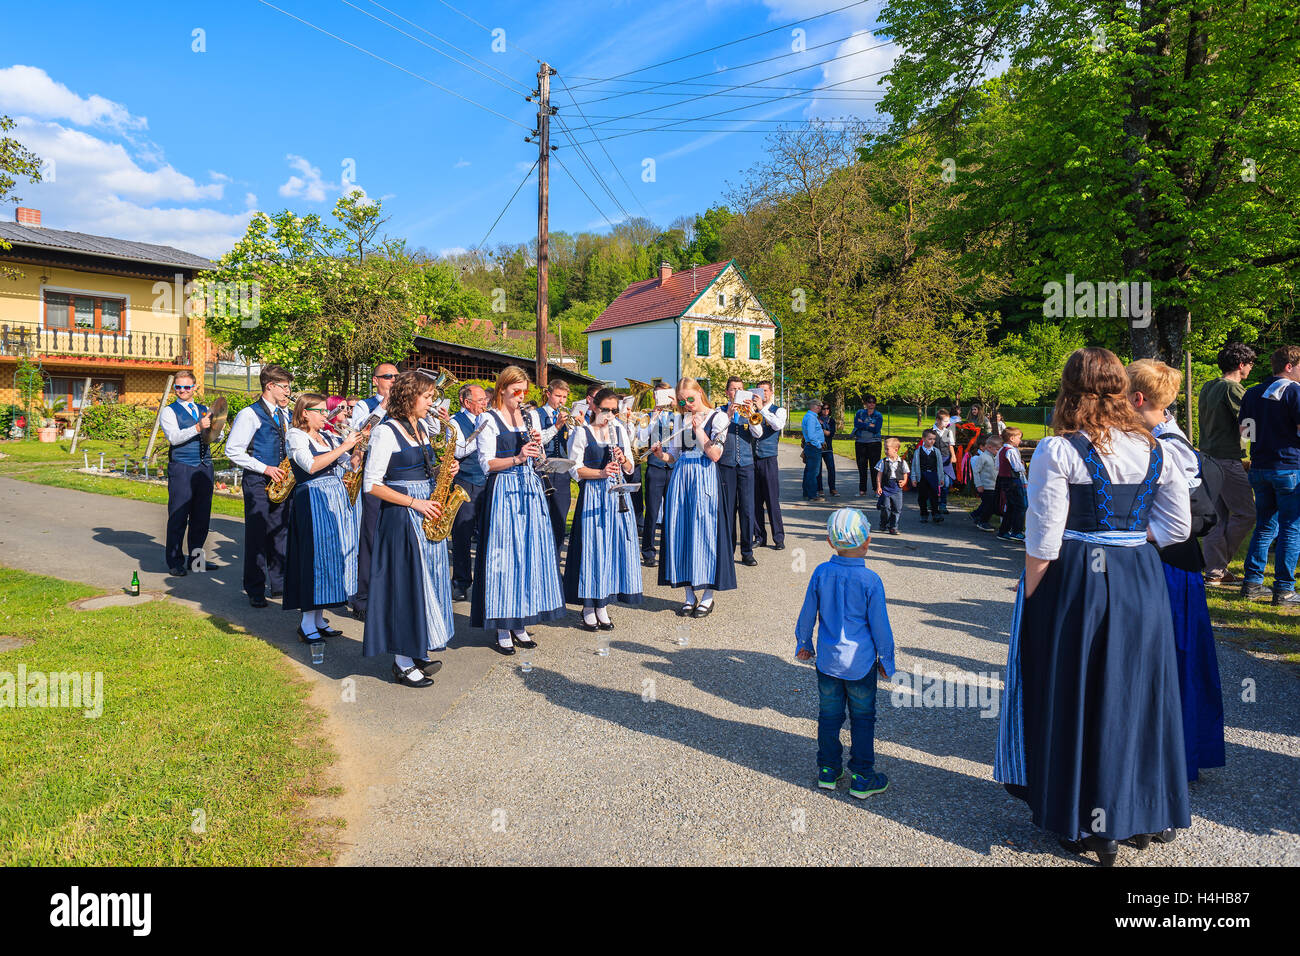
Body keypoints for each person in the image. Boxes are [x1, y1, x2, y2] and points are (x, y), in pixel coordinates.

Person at [1010, 346, 1191, 866]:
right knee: (1139, 694)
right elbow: (1176, 527)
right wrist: (1131, 539)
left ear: (1069, 390)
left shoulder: (1058, 449)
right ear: (1121, 388)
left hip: (1079, 580)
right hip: (1141, 579)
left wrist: (1033, 597)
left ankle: (1087, 821)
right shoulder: (1157, 448)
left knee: (1078, 692)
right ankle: (1139, 815)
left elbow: (1043, 540)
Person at [1128, 360, 1225, 782]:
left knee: (1170, 658)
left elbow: (1190, 519)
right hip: (1170, 563)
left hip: (1169, 564)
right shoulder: (1160, 436)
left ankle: (1173, 756)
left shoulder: (1169, 447)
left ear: (1137, 399)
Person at [360, 371, 455, 688]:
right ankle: (401, 661)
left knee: (424, 585)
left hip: (426, 514)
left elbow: (423, 469)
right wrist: (415, 504)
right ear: (409, 397)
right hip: (403, 519)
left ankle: (416, 649)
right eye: (427, 397)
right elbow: (372, 484)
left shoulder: (421, 429)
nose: (432, 402)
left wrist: (446, 468)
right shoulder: (386, 432)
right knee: (404, 587)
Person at [795, 508, 895, 799]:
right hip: (860, 664)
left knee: (829, 715)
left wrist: (804, 642)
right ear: (867, 542)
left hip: (827, 662)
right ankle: (862, 777)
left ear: (830, 542)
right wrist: (886, 659)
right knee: (863, 718)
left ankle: (827, 769)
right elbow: (880, 626)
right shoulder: (870, 581)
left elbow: (807, 612)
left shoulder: (821, 573)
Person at [471, 366, 566, 654]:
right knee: (505, 557)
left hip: (530, 487)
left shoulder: (531, 415)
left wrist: (538, 453)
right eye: (516, 392)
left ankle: (521, 622)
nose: (521, 397)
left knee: (529, 554)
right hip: (504, 489)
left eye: (524, 392)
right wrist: (517, 457)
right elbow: (486, 464)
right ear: (502, 390)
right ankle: (503, 625)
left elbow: (538, 456)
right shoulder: (488, 419)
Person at [282, 393, 363, 646]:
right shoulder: (295, 435)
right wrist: (344, 446)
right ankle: (306, 622)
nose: (325, 415)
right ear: (305, 412)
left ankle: (318, 619)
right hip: (312, 499)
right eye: (320, 410)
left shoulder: (328, 436)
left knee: (331, 558)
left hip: (335, 499)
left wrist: (358, 448)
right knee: (313, 558)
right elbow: (310, 466)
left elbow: (349, 466)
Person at [653, 377, 736, 617]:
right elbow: (676, 457)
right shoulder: (680, 419)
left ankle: (708, 596)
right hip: (681, 479)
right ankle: (689, 595)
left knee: (706, 535)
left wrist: (699, 430)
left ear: (700, 393)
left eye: (691, 398)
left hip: (704, 478)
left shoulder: (718, 417)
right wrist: (661, 455)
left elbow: (715, 454)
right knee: (682, 533)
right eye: (682, 401)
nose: (687, 404)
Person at [564, 388, 643, 628]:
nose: (610, 415)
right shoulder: (581, 432)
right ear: (594, 408)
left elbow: (630, 467)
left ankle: (603, 604)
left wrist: (622, 459)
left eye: (614, 410)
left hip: (617, 495)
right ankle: (589, 605)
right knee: (593, 548)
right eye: (606, 410)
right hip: (594, 495)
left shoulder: (619, 430)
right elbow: (574, 469)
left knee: (612, 547)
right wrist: (600, 472)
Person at [226, 364, 295, 608]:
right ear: (270, 386)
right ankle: (254, 588)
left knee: (280, 533)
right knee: (257, 535)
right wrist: (264, 468)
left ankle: (279, 584)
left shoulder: (285, 414)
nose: (288, 392)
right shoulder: (250, 414)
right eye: (285, 387)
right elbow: (232, 450)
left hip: (282, 480)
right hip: (258, 480)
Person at [1238, 345, 1300, 606]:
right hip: (1289, 466)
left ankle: (1252, 583)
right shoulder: (1295, 391)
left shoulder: (1252, 392)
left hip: (1260, 466)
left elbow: (1245, 432)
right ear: (1289, 366)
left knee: (1265, 526)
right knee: (1291, 529)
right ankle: (1284, 589)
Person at [1198, 343, 1257, 586]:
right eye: (1251, 364)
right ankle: (1218, 567)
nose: (1251, 368)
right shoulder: (1234, 389)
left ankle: (1214, 573)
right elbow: (1248, 424)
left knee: (1217, 518)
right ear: (1241, 365)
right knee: (1247, 513)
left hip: (1207, 457)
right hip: (1228, 459)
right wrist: (1255, 441)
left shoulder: (1208, 386)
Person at [348, 362, 399, 621]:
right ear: (376, 380)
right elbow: (360, 429)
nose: (393, 379)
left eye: (396, 376)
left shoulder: (403, 403)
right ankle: (364, 597)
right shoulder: (365, 405)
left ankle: (389, 594)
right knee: (370, 536)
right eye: (388, 376)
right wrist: (384, 405)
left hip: (399, 475)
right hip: (374, 475)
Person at [159, 371, 218, 576]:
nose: (182, 390)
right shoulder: (169, 411)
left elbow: (212, 437)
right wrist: (197, 427)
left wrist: (217, 431)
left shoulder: (203, 410)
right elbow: (174, 438)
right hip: (182, 467)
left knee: (201, 517)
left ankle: (197, 561)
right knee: (178, 516)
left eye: (186, 387)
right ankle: (175, 562)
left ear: (194, 388)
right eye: (178, 387)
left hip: (204, 467)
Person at [449, 383, 489, 602]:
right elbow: (457, 450)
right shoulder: (455, 422)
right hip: (466, 481)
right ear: (466, 402)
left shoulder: (487, 419)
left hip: (487, 481)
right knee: (462, 535)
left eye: (485, 399)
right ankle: (461, 582)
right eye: (481, 400)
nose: (485, 403)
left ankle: (484, 582)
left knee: (486, 533)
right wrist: (480, 435)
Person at [718, 376, 763, 567]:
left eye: (740, 388)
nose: (736, 391)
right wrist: (728, 415)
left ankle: (747, 551)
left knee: (746, 509)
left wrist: (751, 412)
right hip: (726, 464)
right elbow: (716, 434)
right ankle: (728, 550)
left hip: (745, 464)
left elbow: (758, 433)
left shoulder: (748, 412)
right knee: (728, 509)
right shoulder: (719, 411)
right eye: (734, 389)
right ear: (727, 392)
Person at [536, 378, 573, 568]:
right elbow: (538, 439)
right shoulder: (536, 414)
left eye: (565, 397)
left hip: (563, 471)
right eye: (558, 396)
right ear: (549, 394)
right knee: (543, 517)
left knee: (560, 517)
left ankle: (556, 557)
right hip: (544, 471)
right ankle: (541, 558)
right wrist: (556, 426)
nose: (561, 400)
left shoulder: (567, 415)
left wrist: (577, 427)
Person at [639, 386, 676, 566]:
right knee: (652, 511)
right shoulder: (647, 417)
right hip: (655, 467)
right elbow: (641, 436)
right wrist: (654, 417)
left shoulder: (676, 415)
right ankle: (648, 552)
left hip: (672, 466)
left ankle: (669, 551)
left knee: (671, 511)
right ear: (655, 397)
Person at [752, 380, 787, 550]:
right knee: (755, 501)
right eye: (760, 391)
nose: (762, 394)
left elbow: (777, 425)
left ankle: (778, 538)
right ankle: (759, 536)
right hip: (752, 459)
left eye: (765, 391)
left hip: (769, 459)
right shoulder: (753, 409)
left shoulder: (779, 410)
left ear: (771, 392)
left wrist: (762, 409)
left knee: (772, 500)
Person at [995, 428, 1027, 541]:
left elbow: (997, 465)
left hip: (1004, 479)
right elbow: (1017, 467)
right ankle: (1016, 531)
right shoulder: (1011, 451)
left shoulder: (1001, 450)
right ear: (1012, 438)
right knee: (1020, 506)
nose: (1020, 440)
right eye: (1019, 438)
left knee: (1011, 506)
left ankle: (1004, 530)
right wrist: (1023, 465)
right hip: (1013, 480)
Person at [874, 437, 908, 535]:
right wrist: (879, 487)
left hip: (897, 488)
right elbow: (879, 475)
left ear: (895, 450)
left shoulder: (902, 462)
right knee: (885, 507)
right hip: (886, 487)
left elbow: (905, 473)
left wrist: (904, 481)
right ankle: (883, 523)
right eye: (884, 448)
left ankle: (893, 527)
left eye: (887, 449)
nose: (885, 451)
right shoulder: (883, 462)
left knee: (897, 508)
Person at [852, 396, 884, 497]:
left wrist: (864, 424)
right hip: (860, 442)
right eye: (869, 402)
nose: (871, 404)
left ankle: (876, 490)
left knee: (874, 467)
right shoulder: (860, 413)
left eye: (873, 402)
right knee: (862, 467)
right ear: (866, 403)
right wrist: (870, 425)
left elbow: (876, 429)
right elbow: (856, 424)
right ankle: (862, 490)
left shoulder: (878, 415)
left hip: (874, 443)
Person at [969, 434, 1002, 532]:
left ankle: (977, 516)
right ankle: (983, 522)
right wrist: (978, 485)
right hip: (985, 486)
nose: (998, 452)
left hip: (993, 485)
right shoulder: (983, 457)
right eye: (997, 449)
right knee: (989, 505)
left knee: (991, 504)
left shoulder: (995, 457)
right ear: (989, 447)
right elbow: (976, 471)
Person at [911, 429, 943, 523]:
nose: (932, 441)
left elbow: (940, 465)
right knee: (922, 496)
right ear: (923, 439)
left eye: (934, 439)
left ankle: (935, 513)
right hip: (922, 476)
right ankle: (923, 513)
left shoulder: (936, 451)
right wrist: (914, 478)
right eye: (930, 439)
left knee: (934, 496)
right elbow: (914, 465)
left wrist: (941, 478)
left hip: (933, 476)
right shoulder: (918, 451)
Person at [801, 400, 826, 501]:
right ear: (813, 406)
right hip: (813, 447)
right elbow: (811, 435)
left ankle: (807, 492)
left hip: (810, 446)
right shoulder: (811, 418)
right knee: (813, 472)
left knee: (808, 471)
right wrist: (818, 445)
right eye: (819, 406)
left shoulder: (809, 416)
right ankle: (812, 495)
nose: (820, 408)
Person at [933, 409, 957, 513]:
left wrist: (953, 456)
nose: (947, 423)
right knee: (934, 482)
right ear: (938, 420)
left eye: (948, 421)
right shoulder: (931, 432)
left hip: (946, 459)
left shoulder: (949, 432)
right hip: (934, 460)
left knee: (946, 483)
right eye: (945, 421)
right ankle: (932, 502)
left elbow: (950, 445)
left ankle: (943, 504)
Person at [817, 404, 838, 496]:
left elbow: (831, 433)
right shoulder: (816, 420)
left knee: (831, 468)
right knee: (818, 470)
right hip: (818, 446)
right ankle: (819, 489)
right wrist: (824, 431)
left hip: (828, 447)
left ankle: (832, 489)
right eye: (824, 408)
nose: (826, 410)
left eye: (828, 408)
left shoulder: (831, 420)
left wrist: (822, 430)